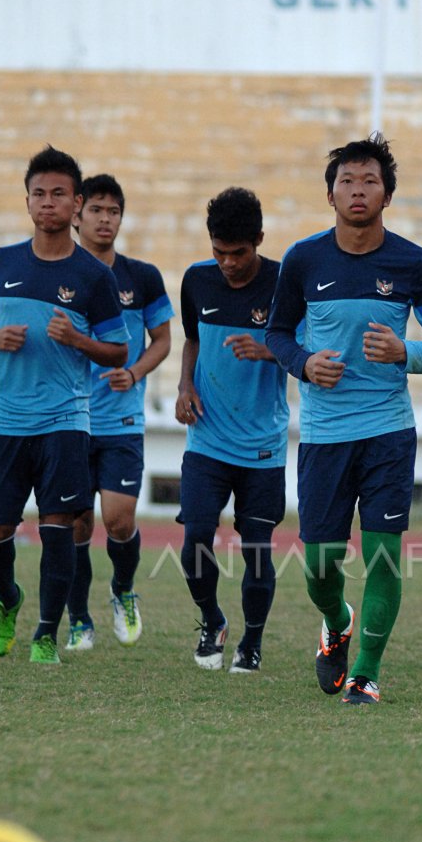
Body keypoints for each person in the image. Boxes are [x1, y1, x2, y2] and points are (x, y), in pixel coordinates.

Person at [266, 133, 422, 706]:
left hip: (389, 434)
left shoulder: (412, 262)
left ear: (387, 194)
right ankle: (337, 621)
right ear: (330, 195)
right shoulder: (304, 260)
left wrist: (407, 353)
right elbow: (277, 334)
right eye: (347, 181)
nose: (357, 190)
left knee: (382, 553)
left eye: (369, 181)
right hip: (325, 437)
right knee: (319, 566)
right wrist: (304, 364)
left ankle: (367, 673)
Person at [0, 145, 129, 664]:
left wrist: (78, 340)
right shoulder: (2, 263)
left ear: (76, 204)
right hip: (9, 419)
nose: (48, 203)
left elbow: (118, 349)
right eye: (39, 194)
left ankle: (44, 634)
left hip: (66, 419)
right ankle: (8, 598)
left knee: (58, 527)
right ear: (28, 201)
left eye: (59, 194)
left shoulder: (93, 276)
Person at [176, 187, 286, 673]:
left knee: (257, 552)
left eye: (237, 253)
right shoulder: (196, 281)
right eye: (218, 252)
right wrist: (184, 386)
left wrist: (268, 350)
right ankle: (211, 619)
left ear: (259, 240)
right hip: (207, 439)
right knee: (196, 535)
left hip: (263, 446)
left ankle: (252, 642)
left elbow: (305, 350)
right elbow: (193, 341)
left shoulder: (285, 283)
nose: (227, 263)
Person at [64, 174, 174, 651]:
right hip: (67, 419)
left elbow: (163, 340)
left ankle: (123, 591)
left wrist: (134, 373)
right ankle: (77, 618)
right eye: (97, 210)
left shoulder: (142, 277)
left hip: (122, 420)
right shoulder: (58, 274)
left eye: (114, 212)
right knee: (75, 525)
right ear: (77, 215)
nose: (105, 220)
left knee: (119, 520)